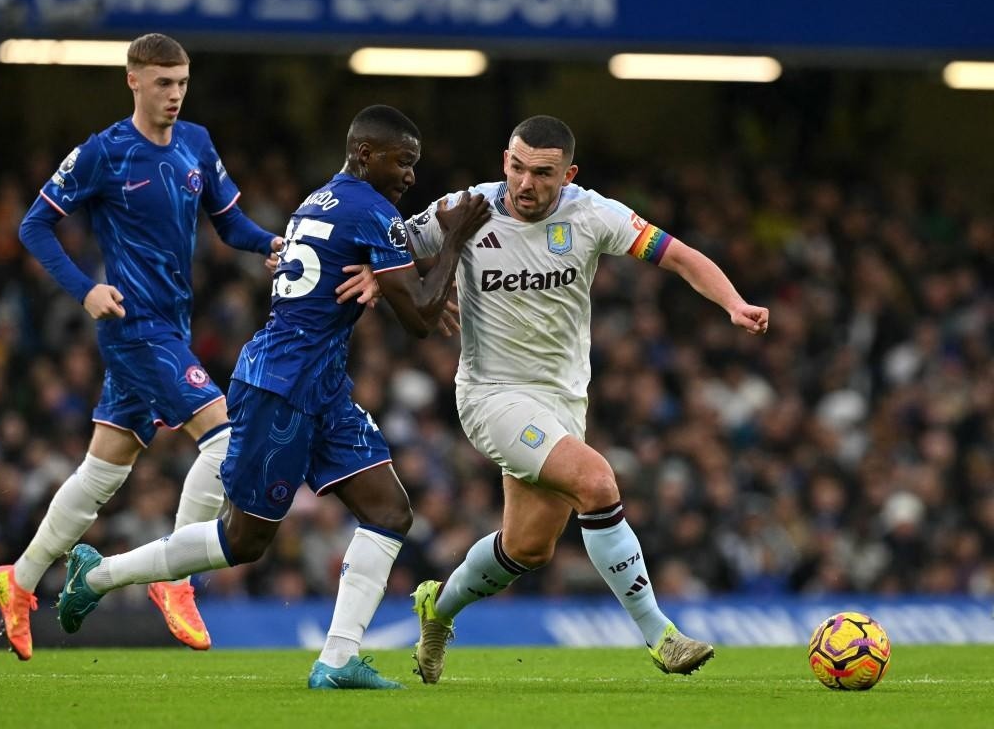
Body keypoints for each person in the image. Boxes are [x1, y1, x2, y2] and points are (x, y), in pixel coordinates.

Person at [54, 105, 491, 689]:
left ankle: (335, 661)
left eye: (415, 164)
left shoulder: (322, 200)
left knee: (390, 512)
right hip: (281, 386)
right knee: (243, 539)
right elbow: (418, 317)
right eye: (402, 161)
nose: (411, 174)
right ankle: (97, 576)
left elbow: (390, 285)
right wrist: (456, 237)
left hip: (320, 385)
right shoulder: (372, 209)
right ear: (365, 154)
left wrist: (396, 280)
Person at [402, 115, 769, 682]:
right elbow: (391, 242)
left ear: (567, 174)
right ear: (505, 160)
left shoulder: (593, 213)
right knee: (597, 482)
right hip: (492, 396)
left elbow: (678, 255)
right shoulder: (467, 208)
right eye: (517, 168)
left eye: (542, 174)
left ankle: (437, 611)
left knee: (527, 549)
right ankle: (661, 636)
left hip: (563, 401)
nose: (526, 184)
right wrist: (346, 269)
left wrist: (733, 304)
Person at [0, 33, 285, 660]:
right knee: (225, 436)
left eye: (181, 83)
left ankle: (19, 579)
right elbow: (33, 225)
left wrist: (270, 245)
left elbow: (229, 222)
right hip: (132, 324)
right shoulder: (104, 153)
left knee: (103, 470)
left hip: (170, 324)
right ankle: (175, 578)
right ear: (133, 81)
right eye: (162, 84)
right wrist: (84, 288)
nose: (174, 96)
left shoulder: (197, 143)